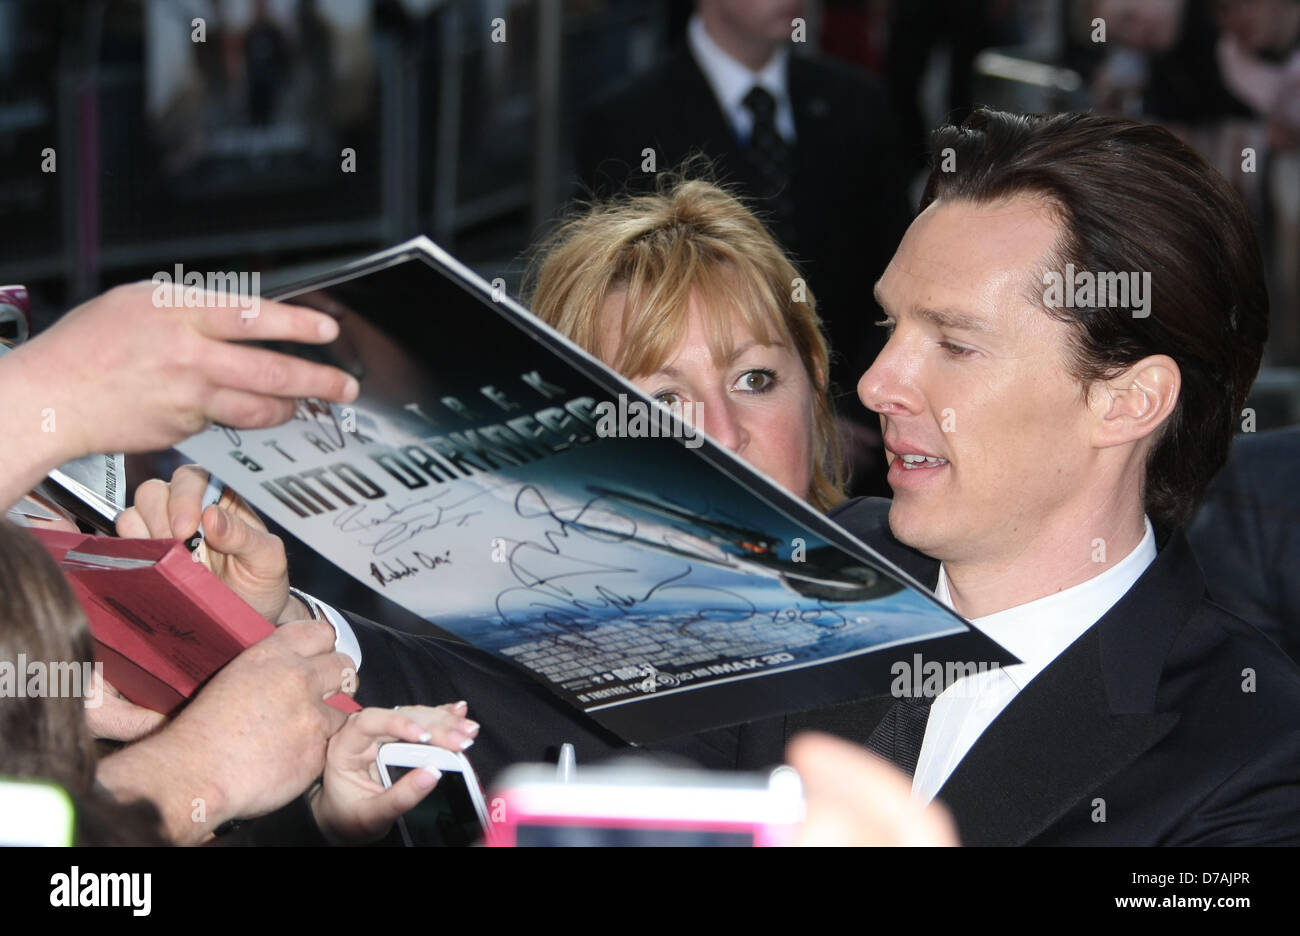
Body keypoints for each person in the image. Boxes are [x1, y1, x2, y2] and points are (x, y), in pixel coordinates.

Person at [772, 107, 1300, 844]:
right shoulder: (797, 576)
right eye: (893, 329)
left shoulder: (1255, 755)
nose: (877, 384)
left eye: (955, 345)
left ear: (1126, 403)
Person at [576, 0, 911, 496]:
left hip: (863, 445)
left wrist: (839, 411)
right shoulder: (625, 119)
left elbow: (898, 274)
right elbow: (619, 308)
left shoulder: (858, 101)